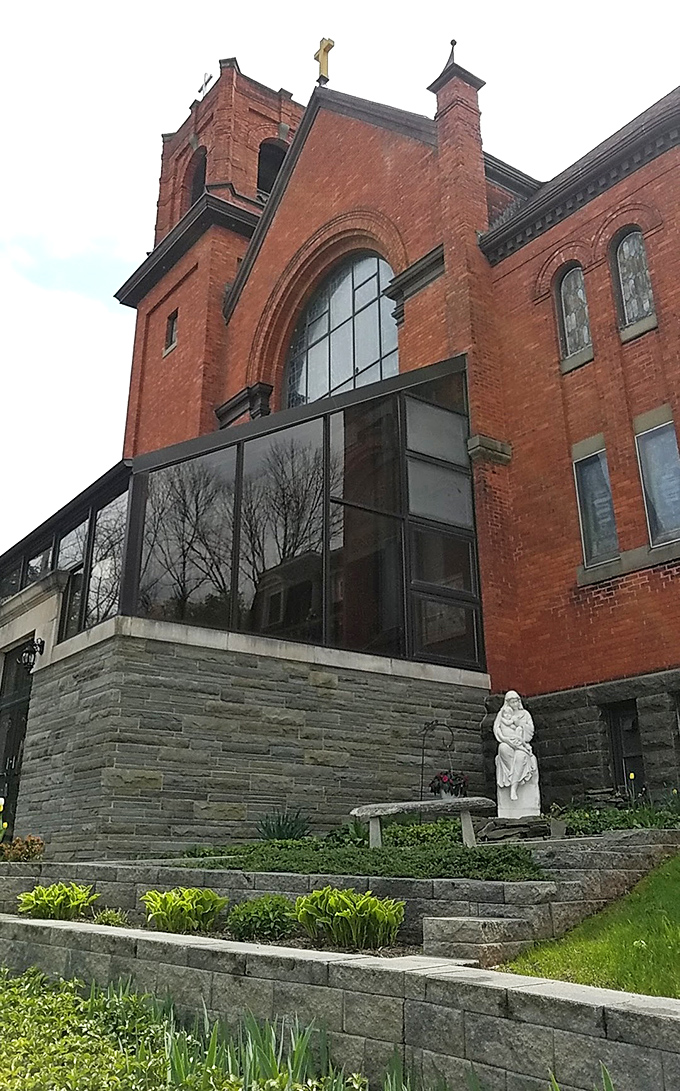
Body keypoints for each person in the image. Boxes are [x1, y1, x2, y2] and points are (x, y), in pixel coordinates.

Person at [493, 690, 538, 801]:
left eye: (516, 701)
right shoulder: (503, 713)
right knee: (502, 748)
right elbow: (496, 728)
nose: (514, 704)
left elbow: (530, 731)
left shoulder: (525, 714)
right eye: (512, 702)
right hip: (507, 742)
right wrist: (504, 739)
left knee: (520, 756)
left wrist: (520, 725)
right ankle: (515, 777)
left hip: (521, 743)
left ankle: (514, 787)